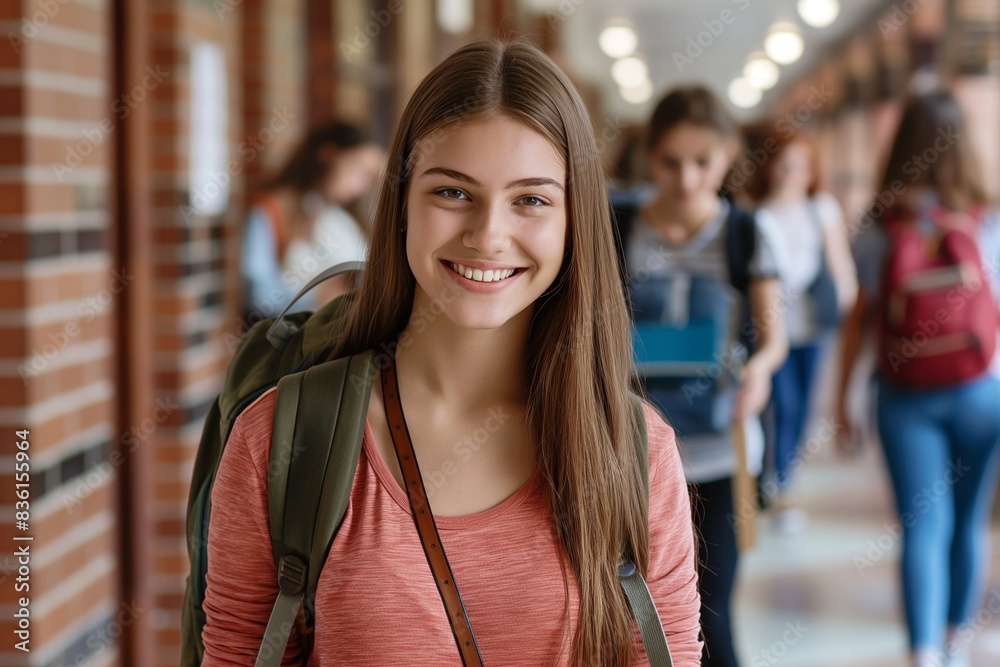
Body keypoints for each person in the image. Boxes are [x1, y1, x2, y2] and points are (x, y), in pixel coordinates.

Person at [202, 38, 702, 665]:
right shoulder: (283, 440)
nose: (489, 235)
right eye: (453, 193)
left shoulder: (634, 451)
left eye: (532, 200)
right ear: (402, 207)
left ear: (575, 222)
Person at [615, 86, 788, 667]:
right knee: (630, 611)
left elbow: (773, 336)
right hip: (627, 452)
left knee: (711, 614)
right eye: (670, 162)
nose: (686, 179)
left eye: (702, 162)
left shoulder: (744, 234)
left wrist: (759, 372)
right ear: (650, 155)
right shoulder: (618, 229)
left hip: (717, 452)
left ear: (727, 155)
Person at [837, 91, 1000, 667]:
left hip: (905, 396)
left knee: (922, 525)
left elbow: (861, 316)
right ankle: (958, 640)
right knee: (970, 521)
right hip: (984, 391)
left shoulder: (880, 226)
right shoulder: (989, 217)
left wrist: (841, 400)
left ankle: (923, 654)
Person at [749, 131, 857, 532]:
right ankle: (774, 479)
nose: (791, 174)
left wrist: (845, 301)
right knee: (783, 403)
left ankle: (784, 480)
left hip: (813, 324)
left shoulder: (821, 208)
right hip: (771, 325)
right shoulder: (756, 212)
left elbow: (838, 261)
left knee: (804, 405)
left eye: (800, 166)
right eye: (784, 164)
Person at [241, 121, 382, 320]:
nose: (361, 187)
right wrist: (321, 295)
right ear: (329, 156)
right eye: (358, 171)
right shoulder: (268, 210)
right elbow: (259, 294)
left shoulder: (333, 213)